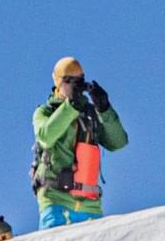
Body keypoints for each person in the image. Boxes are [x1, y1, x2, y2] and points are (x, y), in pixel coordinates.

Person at [30, 56, 128, 228]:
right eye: (68, 80)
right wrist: (70, 107)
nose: (73, 86)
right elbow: (45, 137)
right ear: (57, 81)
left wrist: (105, 109)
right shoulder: (45, 111)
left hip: (90, 204)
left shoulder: (89, 113)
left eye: (78, 81)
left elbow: (117, 142)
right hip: (56, 199)